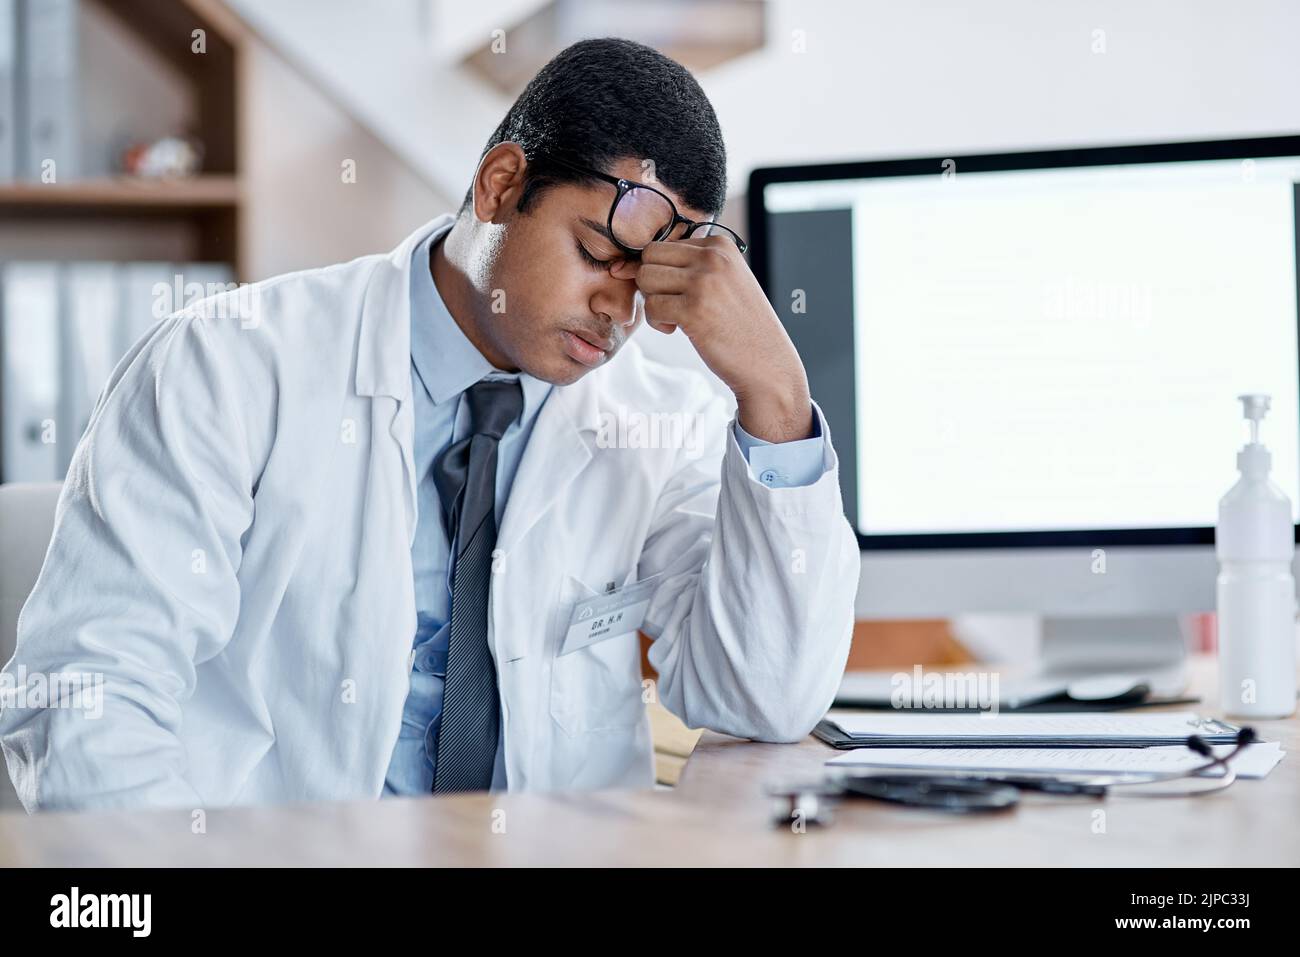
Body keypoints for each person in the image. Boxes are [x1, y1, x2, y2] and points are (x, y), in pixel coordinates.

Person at [0, 38, 859, 811]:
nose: (618, 308)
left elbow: (764, 695)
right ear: (501, 186)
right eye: (600, 253)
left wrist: (777, 396)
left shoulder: (659, 418)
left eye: (648, 283)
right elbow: (87, 700)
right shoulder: (226, 367)